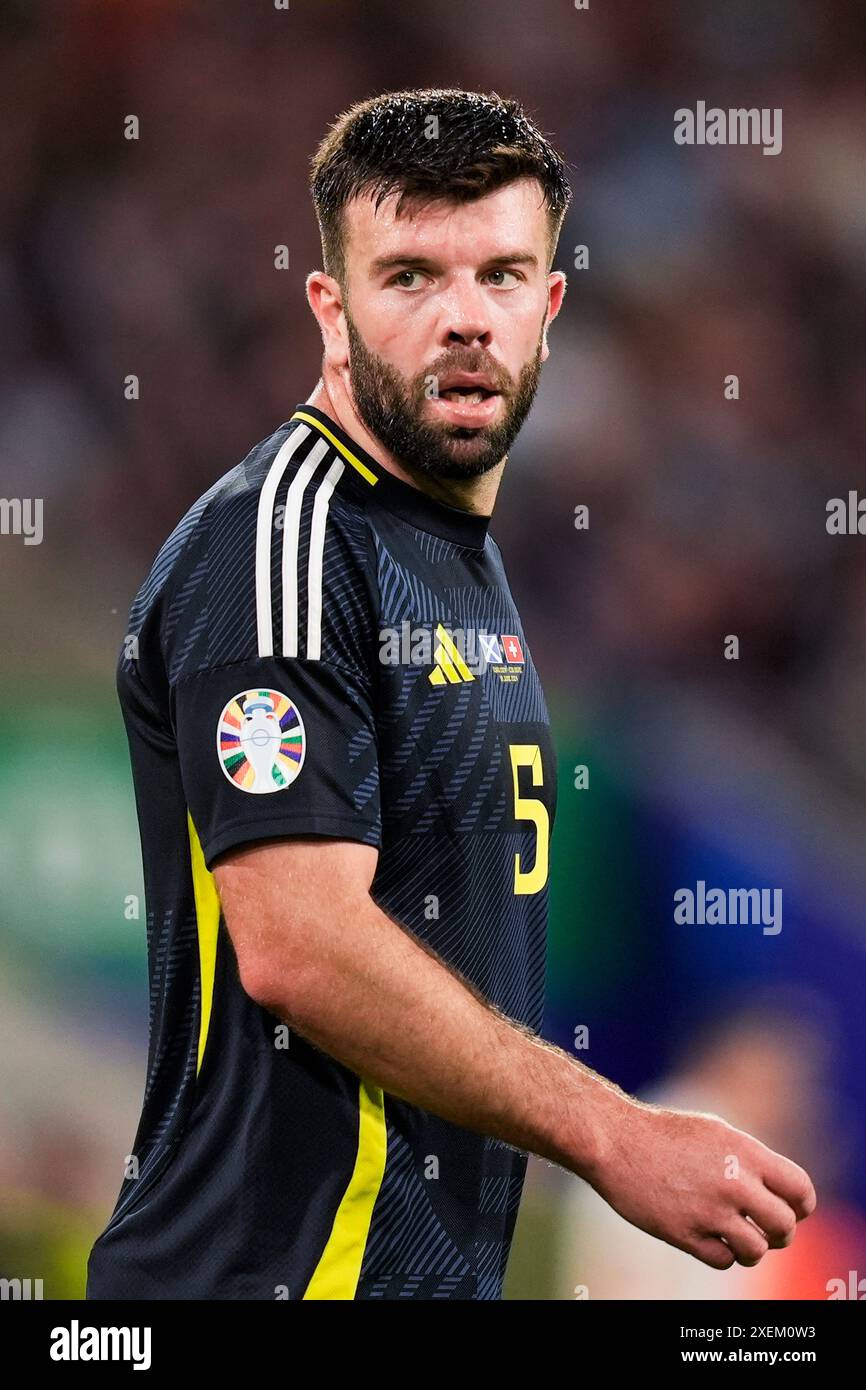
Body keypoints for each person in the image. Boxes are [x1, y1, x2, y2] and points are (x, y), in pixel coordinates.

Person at [86, 87, 815, 1301]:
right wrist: (614, 1132)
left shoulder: (450, 551)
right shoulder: (281, 541)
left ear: (550, 307)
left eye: (500, 275)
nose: (465, 319)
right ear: (331, 309)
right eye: (411, 276)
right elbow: (299, 946)